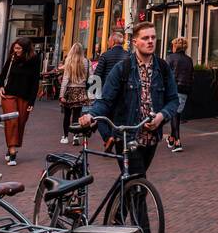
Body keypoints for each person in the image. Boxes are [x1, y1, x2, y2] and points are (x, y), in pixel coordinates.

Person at [80, 23, 179, 181]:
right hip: (127, 136)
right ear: (134, 42)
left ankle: (120, 203)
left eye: (153, 37)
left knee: (132, 183)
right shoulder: (122, 68)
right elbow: (105, 100)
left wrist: (161, 116)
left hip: (151, 139)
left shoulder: (163, 68)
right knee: (138, 184)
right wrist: (90, 114)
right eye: (145, 38)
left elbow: (174, 100)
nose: (150, 41)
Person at [0, 37, 40, 165]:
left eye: (18, 48)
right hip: (9, 95)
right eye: (14, 48)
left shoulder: (34, 59)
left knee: (21, 122)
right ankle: (12, 151)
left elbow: (35, 81)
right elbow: (3, 74)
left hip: (25, 96)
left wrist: (32, 102)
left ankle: (11, 145)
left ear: (26, 49)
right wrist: (1, 87)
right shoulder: (12, 58)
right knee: (12, 121)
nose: (15, 50)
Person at [92, 31, 128, 147]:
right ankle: (114, 137)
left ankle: (108, 137)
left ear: (112, 41)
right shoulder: (129, 56)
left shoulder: (105, 55)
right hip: (123, 92)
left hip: (106, 92)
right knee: (116, 117)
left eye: (108, 40)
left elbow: (97, 76)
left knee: (100, 116)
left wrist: (93, 93)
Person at [164, 36, 194, 152]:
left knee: (174, 114)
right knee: (176, 114)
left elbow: (165, 74)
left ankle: (177, 141)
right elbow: (191, 75)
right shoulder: (189, 60)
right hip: (184, 89)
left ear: (175, 46)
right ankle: (172, 138)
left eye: (173, 45)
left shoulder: (170, 58)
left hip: (173, 88)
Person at [58, 43, 90, 145]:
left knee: (67, 115)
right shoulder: (86, 62)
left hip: (70, 91)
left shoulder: (69, 61)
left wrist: (61, 95)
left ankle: (65, 136)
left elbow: (65, 80)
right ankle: (76, 136)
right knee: (77, 115)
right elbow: (91, 77)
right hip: (81, 90)